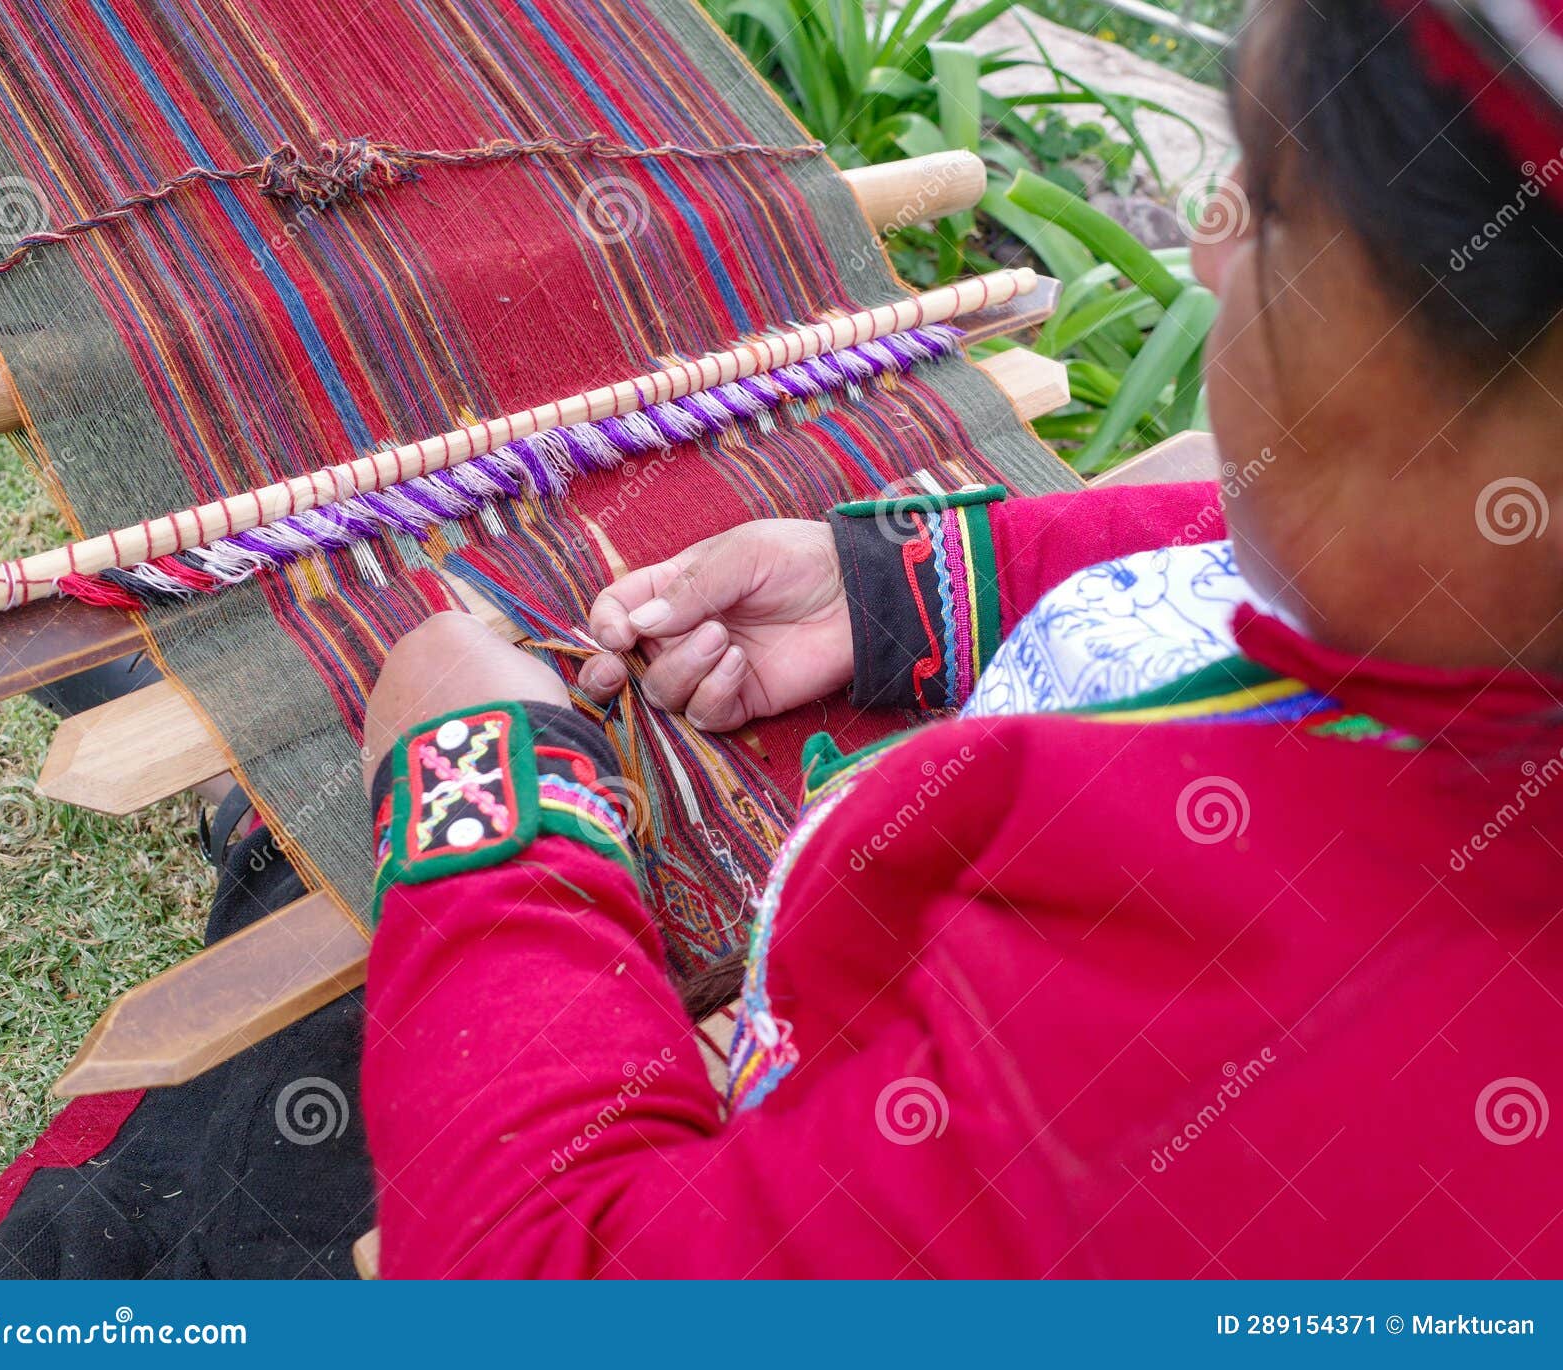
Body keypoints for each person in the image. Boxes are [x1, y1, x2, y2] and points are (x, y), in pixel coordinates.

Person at [355, 0, 1563, 1277]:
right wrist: (904, 589)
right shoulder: (1483, 607)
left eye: (1263, 203)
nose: (1207, 253)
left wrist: (473, 791)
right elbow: (1327, 542)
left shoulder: (1220, 1061)